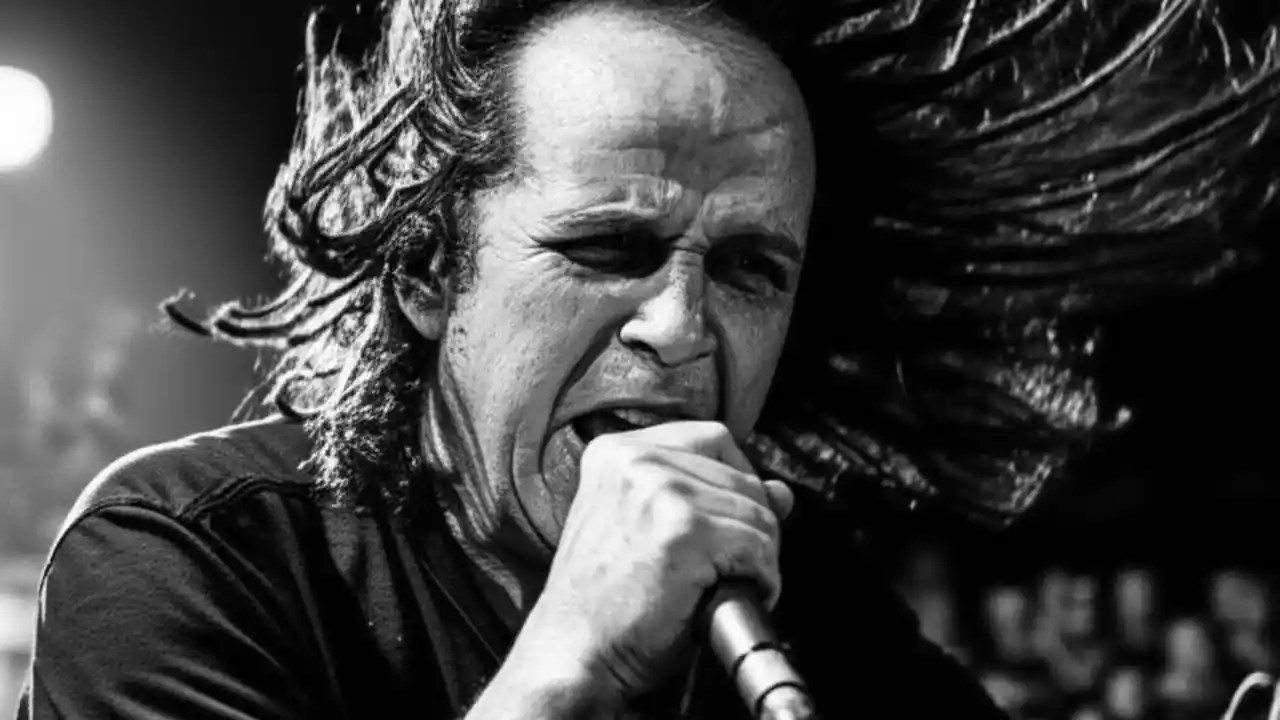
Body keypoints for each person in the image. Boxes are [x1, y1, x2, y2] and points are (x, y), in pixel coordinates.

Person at [16, 0, 1280, 718]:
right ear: (424, 269)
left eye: (747, 269)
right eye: (607, 247)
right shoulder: (187, 557)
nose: (677, 325)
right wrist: (577, 666)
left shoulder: (803, 606)